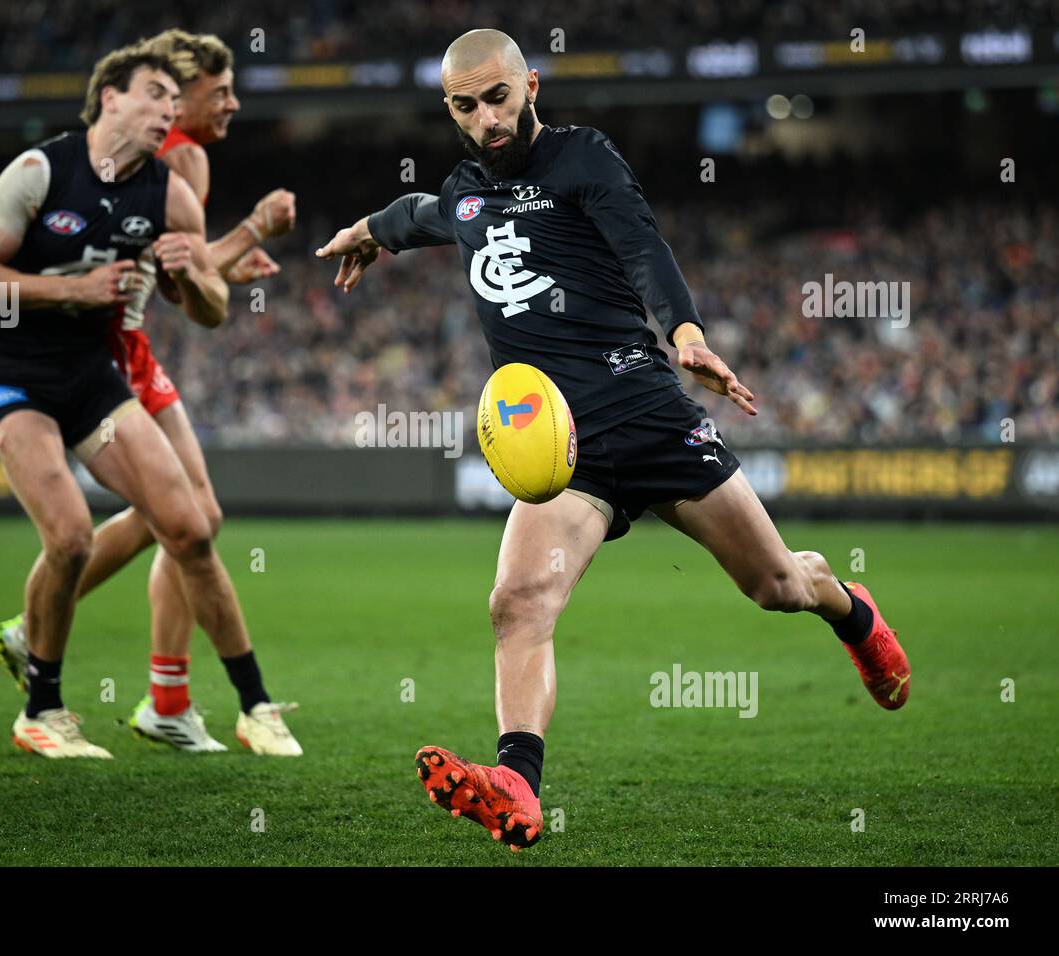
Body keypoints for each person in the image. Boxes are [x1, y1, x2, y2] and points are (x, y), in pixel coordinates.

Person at [316, 29, 911, 851]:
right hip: (558, 443)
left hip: (648, 414)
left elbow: (644, 249)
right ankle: (518, 785)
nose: (486, 117)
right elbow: (421, 215)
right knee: (518, 602)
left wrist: (688, 335)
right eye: (465, 105)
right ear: (448, 109)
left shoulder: (583, 158)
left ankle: (853, 612)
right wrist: (368, 232)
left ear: (530, 85)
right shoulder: (461, 193)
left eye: (498, 97)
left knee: (776, 585)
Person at [0, 29, 302, 757]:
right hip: (112, 351)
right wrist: (249, 234)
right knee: (187, 519)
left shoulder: (164, 160)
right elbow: (165, 267)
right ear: (180, 92)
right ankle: (82, 656)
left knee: (192, 519)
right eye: (217, 91)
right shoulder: (177, 157)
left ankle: (162, 695)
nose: (231, 104)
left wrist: (221, 261)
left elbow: (179, 264)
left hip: (123, 345)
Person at [0, 43, 231, 759]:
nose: (173, 108)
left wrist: (214, 262)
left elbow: (200, 293)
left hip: (92, 372)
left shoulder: (166, 184)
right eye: (159, 93)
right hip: (22, 368)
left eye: (175, 97)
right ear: (112, 96)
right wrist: (69, 290)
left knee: (190, 521)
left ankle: (183, 698)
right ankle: (53, 701)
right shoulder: (48, 169)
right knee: (76, 534)